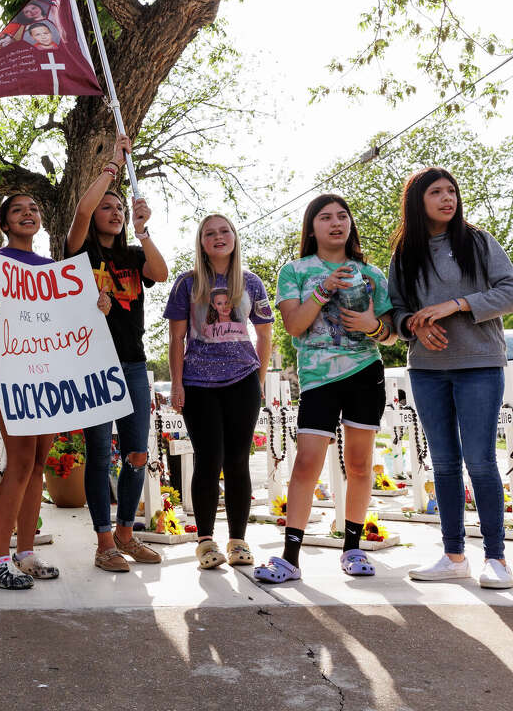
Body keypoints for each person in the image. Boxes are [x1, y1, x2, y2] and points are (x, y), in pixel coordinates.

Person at [0, 193, 111, 589]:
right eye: (18, 210)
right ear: (5, 223)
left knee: (37, 464)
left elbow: (72, 321)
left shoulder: (54, 270)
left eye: (34, 208)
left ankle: (26, 552)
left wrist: (97, 307)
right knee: (17, 463)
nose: (28, 213)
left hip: (49, 371)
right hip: (10, 368)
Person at [255, 194, 397, 584]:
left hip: (366, 373)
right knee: (306, 463)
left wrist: (372, 326)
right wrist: (323, 288)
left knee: (360, 464)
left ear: (350, 224)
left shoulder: (372, 275)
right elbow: (295, 326)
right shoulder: (294, 271)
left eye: (342, 216)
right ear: (311, 227)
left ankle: (353, 547)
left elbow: (388, 335)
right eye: (325, 217)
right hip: (318, 378)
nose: (336, 223)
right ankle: (289, 558)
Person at [390, 167, 513, 589]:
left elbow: (510, 289)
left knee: (481, 461)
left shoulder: (477, 242)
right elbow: (396, 312)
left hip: (479, 364)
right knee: (443, 463)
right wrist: (415, 326)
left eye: (452, 191)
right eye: (437, 192)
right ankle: (453, 554)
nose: (448, 198)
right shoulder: (405, 254)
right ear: (418, 200)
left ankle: (496, 558)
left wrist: (456, 304)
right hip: (427, 370)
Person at [64, 137, 168, 574]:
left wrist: (143, 230)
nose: (115, 212)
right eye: (109, 207)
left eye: (120, 208)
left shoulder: (132, 254)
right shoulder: (81, 251)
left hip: (133, 363)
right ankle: (104, 541)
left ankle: (127, 532)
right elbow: (81, 214)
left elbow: (160, 273)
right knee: (99, 452)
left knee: (137, 453)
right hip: (94, 364)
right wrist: (111, 167)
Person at [164, 214, 273, 569]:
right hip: (198, 384)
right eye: (209, 233)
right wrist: (177, 384)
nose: (218, 237)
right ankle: (206, 541)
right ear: (201, 243)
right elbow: (176, 338)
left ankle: (238, 540)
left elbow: (265, 335)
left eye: (224, 230)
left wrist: (258, 379)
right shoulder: (187, 284)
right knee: (209, 460)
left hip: (242, 380)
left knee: (238, 461)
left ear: (234, 237)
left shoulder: (252, 283)